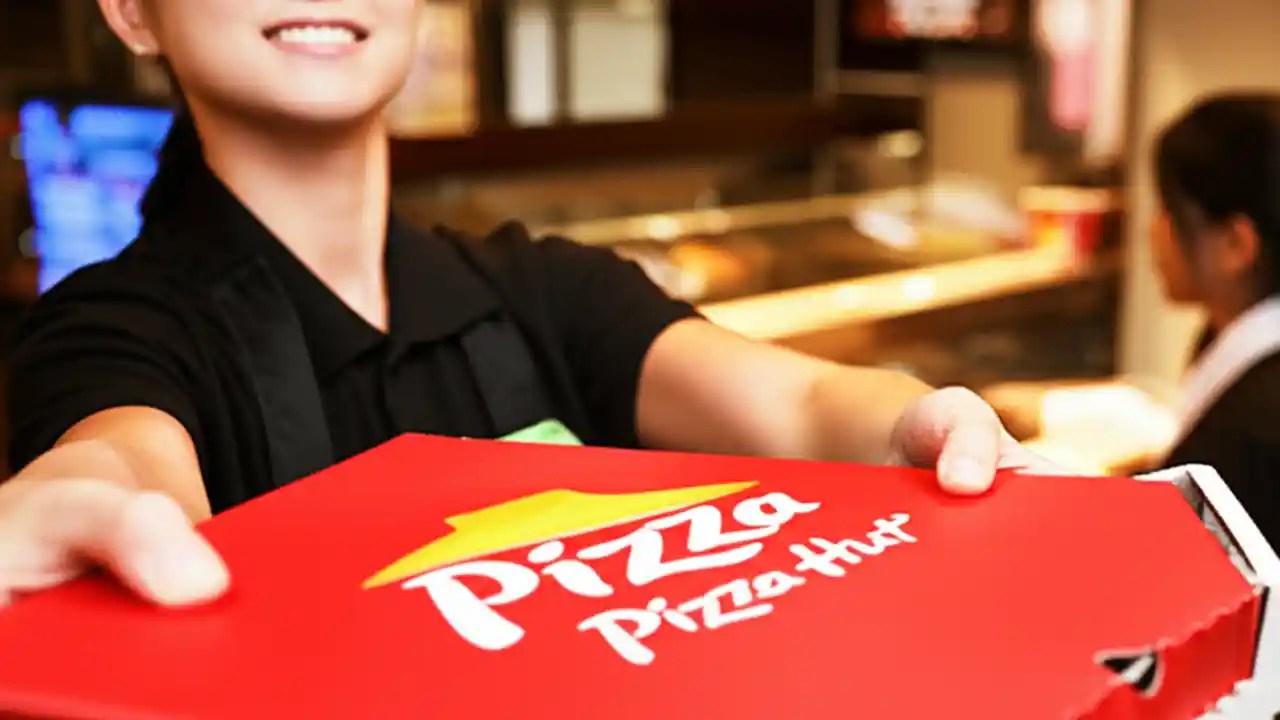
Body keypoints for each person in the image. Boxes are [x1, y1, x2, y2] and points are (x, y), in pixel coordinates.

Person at [0, 0, 1051, 609]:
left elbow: (800, 406)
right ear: (133, 10)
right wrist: (91, 504)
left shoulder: (546, 289)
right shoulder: (114, 328)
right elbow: (117, 457)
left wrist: (912, 419)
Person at [1150, 92, 1280, 546]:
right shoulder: (1229, 343)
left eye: (1168, 209)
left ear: (1235, 245)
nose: (1155, 231)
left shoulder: (1252, 430)